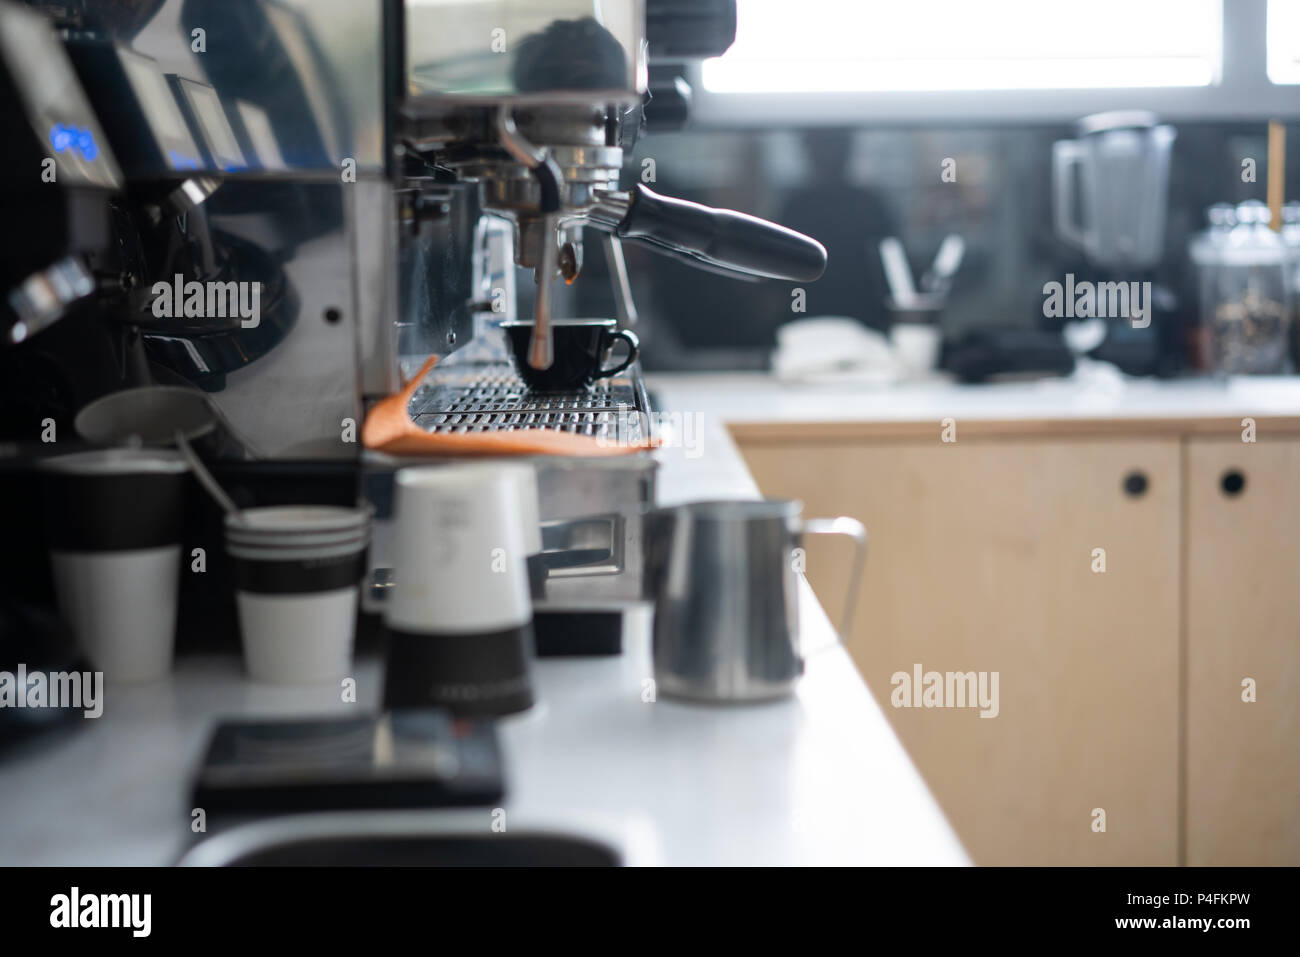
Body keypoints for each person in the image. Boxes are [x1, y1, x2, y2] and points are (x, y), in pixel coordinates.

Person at [778, 128, 898, 330]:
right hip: (804, 322)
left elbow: (894, 267)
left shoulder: (870, 205)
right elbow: (776, 271)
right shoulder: (796, 206)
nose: (827, 156)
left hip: (865, 324)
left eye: (833, 148)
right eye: (821, 149)